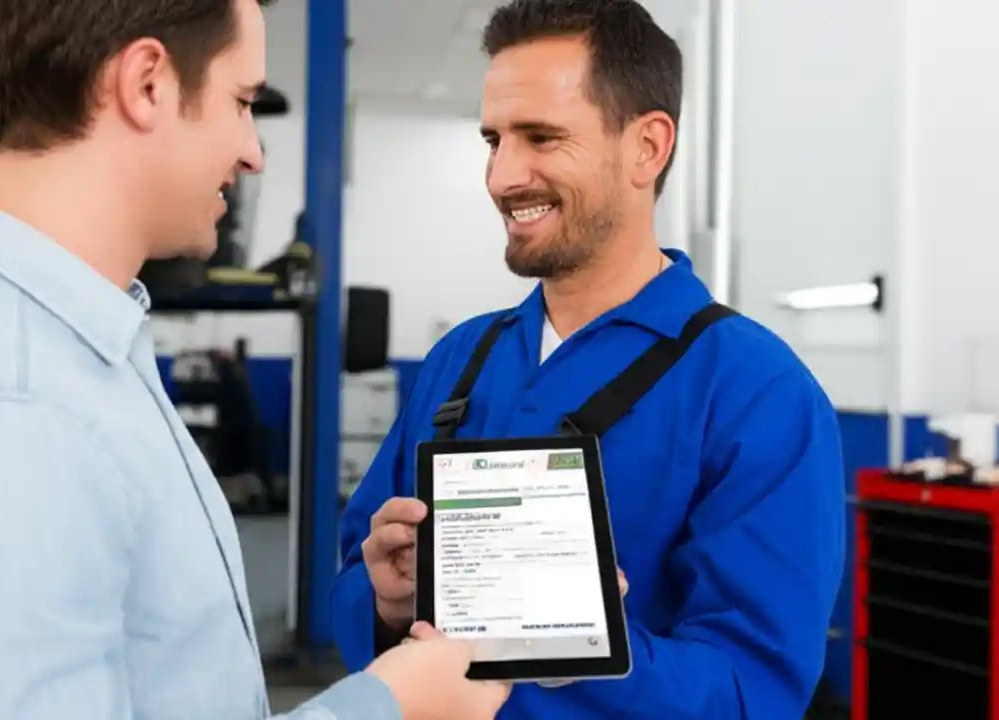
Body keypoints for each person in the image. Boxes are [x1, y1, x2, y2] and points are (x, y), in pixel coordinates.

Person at [0, 0, 510, 718]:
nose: (252, 151)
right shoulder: (2, 413)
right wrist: (389, 709)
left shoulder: (73, 354)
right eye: (240, 102)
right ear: (147, 84)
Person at [329, 1, 845, 718]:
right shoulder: (459, 362)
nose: (503, 177)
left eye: (541, 137)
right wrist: (384, 603)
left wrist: (592, 652)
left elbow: (752, 692)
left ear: (647, 148)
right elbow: (353, 574)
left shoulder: (756, 392)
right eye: (493, 140)